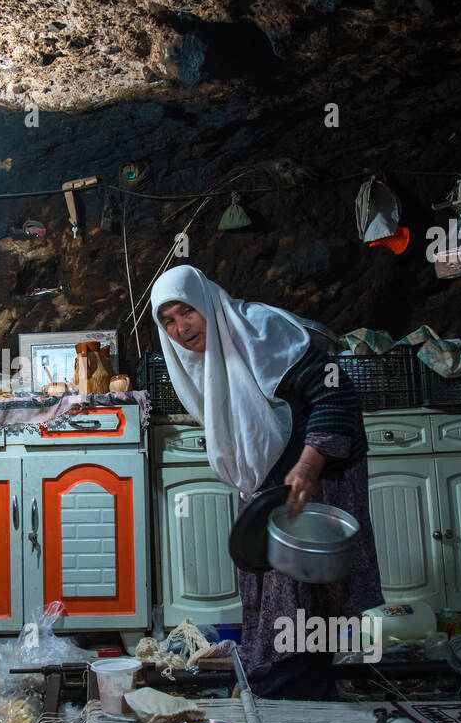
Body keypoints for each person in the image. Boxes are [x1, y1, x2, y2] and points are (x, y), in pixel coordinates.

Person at [151, 265, 382, 700]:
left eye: (188, 313)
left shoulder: (260, 329)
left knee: (304, 592)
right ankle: (284, 683)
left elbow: (336, 391)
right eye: (169, 321)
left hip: (318, 476)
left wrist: (310, 465)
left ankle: (297, 694)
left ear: (208, 304)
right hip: (272, 483)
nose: (181, 329)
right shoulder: (201, 360)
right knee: (270, 587)